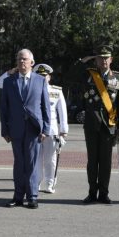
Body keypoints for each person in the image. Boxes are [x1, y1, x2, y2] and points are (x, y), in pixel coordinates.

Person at [0, 48, 51, 209]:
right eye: (19, 59)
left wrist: (46, 129)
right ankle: (18, 197)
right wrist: (4, 130)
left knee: (32, 163)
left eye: (25, 59)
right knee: (19, 163)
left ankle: (32, 196)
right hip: (15, 129)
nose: (21, 61)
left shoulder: (40, 81)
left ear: (32, 62)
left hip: (34, 129)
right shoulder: (9, 82)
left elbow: (45, 107)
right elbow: (4, 108)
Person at [81, 46, 119, 204]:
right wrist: (87, 58)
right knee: (92, 161)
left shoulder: (118, 78)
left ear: (111, 59)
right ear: (96, 60)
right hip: (91, 124)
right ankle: (92, 193)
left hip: (109, 125)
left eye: (106, 58)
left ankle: (103, 193)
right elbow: (71, 72)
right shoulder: (89, 74)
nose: (103, 61)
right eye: (100, 58)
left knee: (106, 162)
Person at [35, 64, 68, 193]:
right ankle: (36, 183)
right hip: (35, 130)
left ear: (49, 77)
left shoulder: (56, 91)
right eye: (40, 76)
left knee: (50, 159)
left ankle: (50, 183)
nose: (43, 78)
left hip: (52, 131)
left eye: (45, 76)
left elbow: (62, 111)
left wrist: (63, 131)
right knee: (36, 159)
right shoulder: (31, 90)